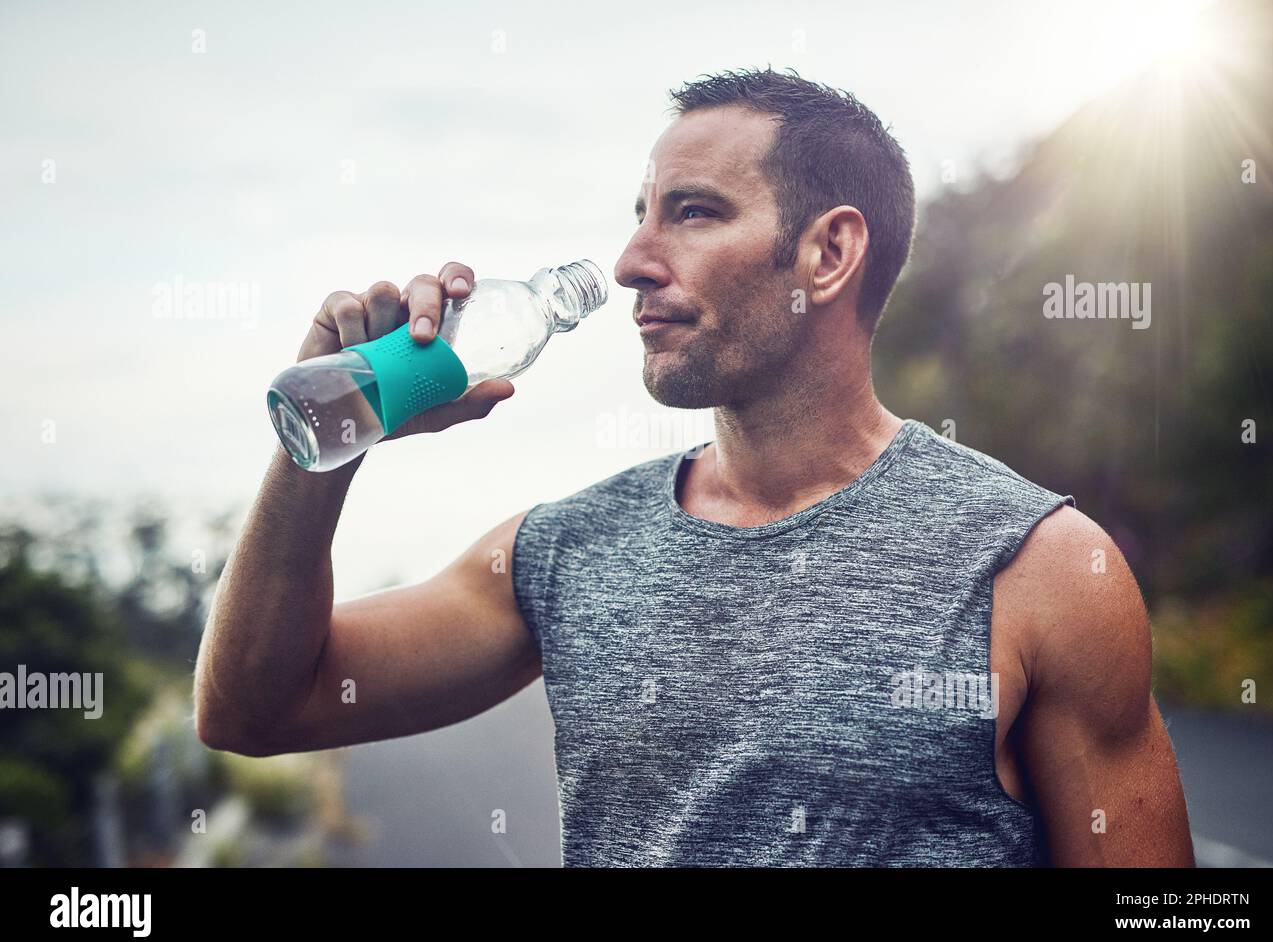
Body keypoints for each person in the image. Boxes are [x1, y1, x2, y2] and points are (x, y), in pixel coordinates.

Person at [195, 67, 1195, 867]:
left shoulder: (1039, 567)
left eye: (693, 212)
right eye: (639, 213)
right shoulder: (566, 551)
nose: (631, 259)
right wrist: (332, 437)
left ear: (827, 253)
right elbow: (254, 706)